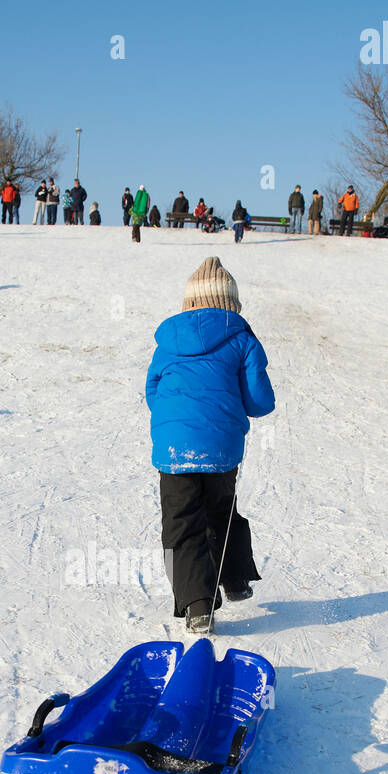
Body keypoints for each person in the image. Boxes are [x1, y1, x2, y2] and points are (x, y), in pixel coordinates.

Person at [145, 257, 275, 635]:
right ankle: (234, 578)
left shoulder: (167, 341)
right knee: (221, 511)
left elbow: (153, 392)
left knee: (181, 525)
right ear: (231, 304)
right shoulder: (241, 338)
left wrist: (175, 420)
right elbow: (259, 402)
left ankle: (197, 606)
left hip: (172, 451)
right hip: (220, 450)